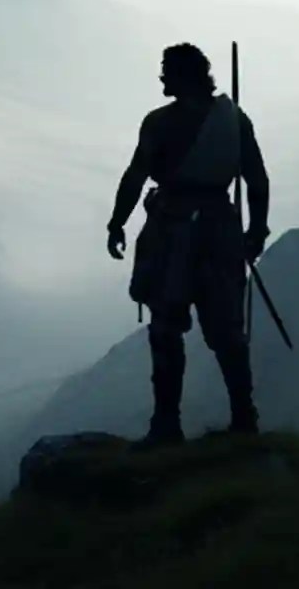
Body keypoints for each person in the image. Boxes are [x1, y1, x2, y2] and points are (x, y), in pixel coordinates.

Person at [106, 43, 270, 447]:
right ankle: (243, 417)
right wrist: (256, 232)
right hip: (222, 230)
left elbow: (136, 174)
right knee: (228, 330)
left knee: (165, 328)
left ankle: (166, 425)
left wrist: (117, 222)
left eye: (166, 71)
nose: (161, 78)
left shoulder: (160, 123)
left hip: (172, 231)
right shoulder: (234, 120)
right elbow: (257, 179)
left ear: (183, 76)